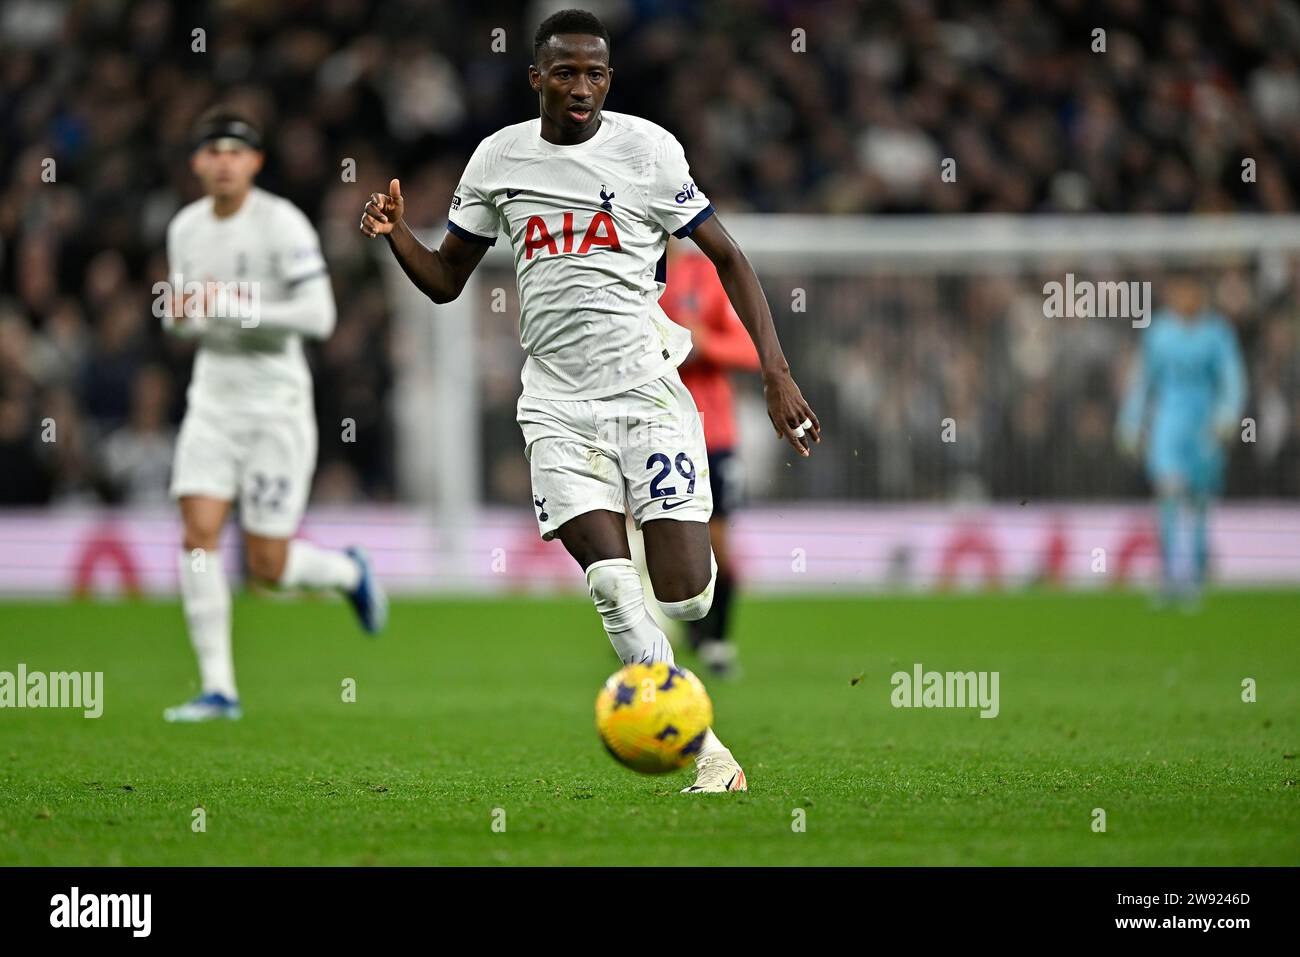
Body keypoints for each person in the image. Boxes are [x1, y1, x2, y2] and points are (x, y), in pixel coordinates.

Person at [360, 9, 821, 792]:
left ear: (610, 78)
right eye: (566, 72)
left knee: (688, 589)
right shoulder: (497, 159)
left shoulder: (647, 150)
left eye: (596, 73)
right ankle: (708, 750)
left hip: (647, 395)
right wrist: (399, 233)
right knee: (612, 585)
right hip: (556, 407)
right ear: (535, 76)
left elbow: (730, 258)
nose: (582, 87)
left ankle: (673, 608)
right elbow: (445, 281)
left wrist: (776, 372)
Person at [162, 107, 387, 722]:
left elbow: (319, 317)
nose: (225, 162)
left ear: (255, 163)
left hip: (276, 408)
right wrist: (178, 314)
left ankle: (346, 571)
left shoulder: (282, 224)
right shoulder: (184, 228)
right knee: (198, 531)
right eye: (214, 152)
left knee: (268, 566)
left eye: (237, 152)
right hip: (212, 403)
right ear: (198, 163)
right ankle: (218, 690)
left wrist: (231, 303)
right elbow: (183, 319)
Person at [659, 239, 761, 677]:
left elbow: (749, 349)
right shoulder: (631, 269)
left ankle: (717, 642)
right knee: (651, 538)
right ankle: (656, 635)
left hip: (711, 433)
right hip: (653, 428)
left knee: (717, 542)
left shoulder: (708, 275)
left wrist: (704, 344)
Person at [1118, 272, 1247, 606]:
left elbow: (1232, 378)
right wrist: (1131, 421)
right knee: (1168, 492)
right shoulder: (1159, 332)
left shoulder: (1217, 333)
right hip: (1169, 422)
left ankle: (1196, 573)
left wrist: (1227, 416)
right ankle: (1169, 574)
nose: (1184, 297)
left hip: (1204, 424)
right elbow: (1143, 380)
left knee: (1200, 499)